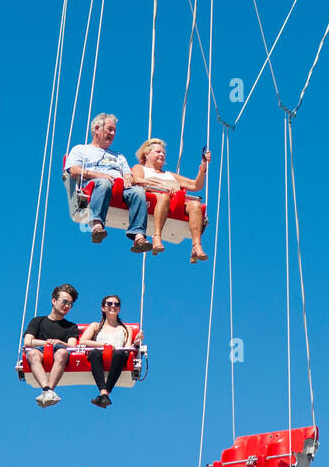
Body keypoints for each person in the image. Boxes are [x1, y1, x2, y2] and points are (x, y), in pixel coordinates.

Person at [65, 113, 153, 252]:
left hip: (119, 187)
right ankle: (97, 226)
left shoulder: (118, 156)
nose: (113, 134)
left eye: (114, 131)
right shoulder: (80, 149)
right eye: (109, 129)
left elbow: (128, 174)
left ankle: (139, 236)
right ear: (97, 129)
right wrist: (99, 175)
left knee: (138, 192)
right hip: (95, 183)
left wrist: (128, 179)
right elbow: (73, 170)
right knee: (104, 183)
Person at [130, 139, 211, 262]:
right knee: (164, 197)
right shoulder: (140, 168)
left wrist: (203, 167)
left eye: (163, 153)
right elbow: (137, 180)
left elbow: (196, 186)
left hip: (175, 204)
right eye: (158, 152)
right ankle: (157, 236)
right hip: (154, 199)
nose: (162, 155)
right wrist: (162, 187)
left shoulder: (170, 175)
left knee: (195, 205)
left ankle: (196, 246)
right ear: (146, 154)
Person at [77, 294, 143, 408]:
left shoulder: (126, 328)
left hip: (118, 356)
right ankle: (104, 394)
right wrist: (104, 345)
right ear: (103, 308)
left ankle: (104, 395)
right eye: (109, 304)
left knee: (119, 354)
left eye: (116, 304)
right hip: (99, 355)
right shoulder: (96, 326)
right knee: (95, 353)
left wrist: (136, 343)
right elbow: (82, 341)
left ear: (119, 308)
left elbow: (127, 348)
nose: (113, 306)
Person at [23, 284, 81, 408]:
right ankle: (47, 390)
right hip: (40, 350)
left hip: (60, 351)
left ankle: (48, 391)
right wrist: (46, 343)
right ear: (54, 301)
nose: (67, 306)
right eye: (64, 302)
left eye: (70, 304)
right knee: (32, 353)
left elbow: (72, 346)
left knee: (62, 352)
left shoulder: (71, 327)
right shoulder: (37, 321)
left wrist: (59, 343)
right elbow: (28, 342)